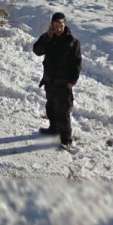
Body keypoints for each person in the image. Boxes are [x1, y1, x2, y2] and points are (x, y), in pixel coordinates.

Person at [33, 12, 82, 147]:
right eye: (55, 26)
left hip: (64, 83)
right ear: (52, 26)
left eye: (61, 26)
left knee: (63, 111)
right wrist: (46, 37)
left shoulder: (73, 42)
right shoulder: (49, 38)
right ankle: (53, 129)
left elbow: (77, 63)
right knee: (51, 106)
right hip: (50, 81)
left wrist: (72, 81)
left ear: (65, 25)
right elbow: (37, 51)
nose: (58, 29)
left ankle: (66, 139)